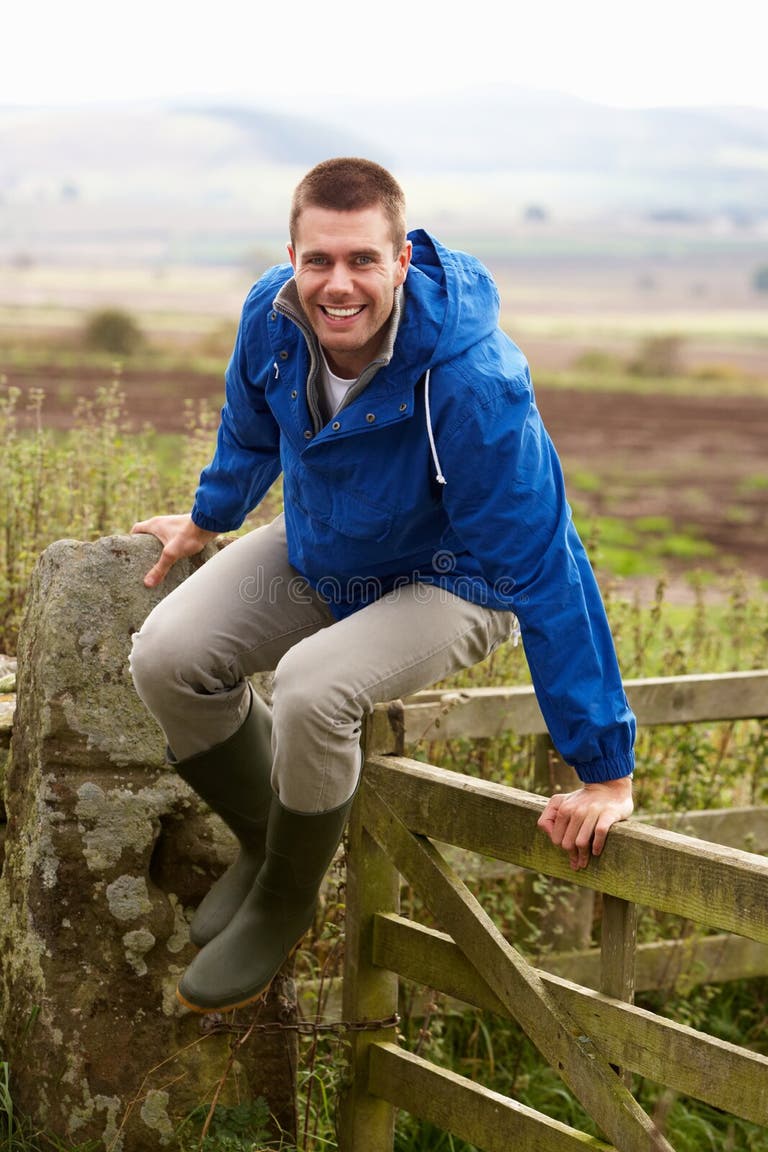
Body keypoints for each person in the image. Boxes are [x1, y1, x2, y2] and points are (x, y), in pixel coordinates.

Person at [129, 157, 636, 1015]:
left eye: (363, 260)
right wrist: (207, 518)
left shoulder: (472, 383)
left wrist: (604, 771)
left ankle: (288, 896)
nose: (339, 284)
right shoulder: (273, 317)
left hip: (458, 577)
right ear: (290, 256)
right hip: (331, 545)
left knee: (312, 688)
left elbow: (545, 567)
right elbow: (250, 427)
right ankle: (266, 842)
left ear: (402, 261)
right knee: (167, 657)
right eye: (319, 260)